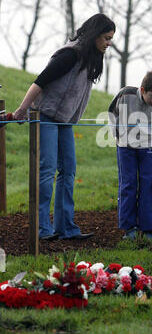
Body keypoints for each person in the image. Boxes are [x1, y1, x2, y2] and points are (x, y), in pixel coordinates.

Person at [13, 13, 116, 240]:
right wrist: (22, 109)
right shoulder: (70, 54)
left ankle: (66, 227)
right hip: (47, 116)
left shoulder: (91, 58)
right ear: (95, 35)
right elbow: (40, 81)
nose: (109, 43)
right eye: (106, 38)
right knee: (47, 170)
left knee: (68, 171)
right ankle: (42, 228)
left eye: (111, 39)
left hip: (65, 121)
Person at [108, 71, 152, 241]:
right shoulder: (125, 94)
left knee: (148, 186)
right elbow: (112, 112)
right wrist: (117, 134)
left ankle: (148, 229)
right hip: (125, 147)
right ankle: (129, 228)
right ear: (142, 90)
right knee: (128, 184)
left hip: (149, 148)